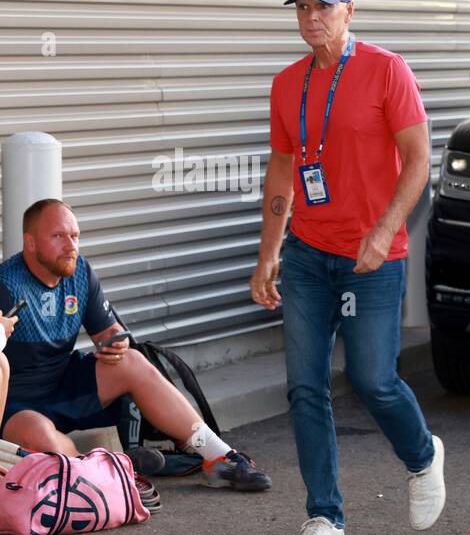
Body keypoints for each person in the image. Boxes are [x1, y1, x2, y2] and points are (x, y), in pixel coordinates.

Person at [250, 0, 444, 535]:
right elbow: (284, 168)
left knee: (372, 380)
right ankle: (324, 518)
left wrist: (385, 230)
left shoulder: (387, 70)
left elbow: (418, 160)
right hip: (308, 255)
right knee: (305, 388)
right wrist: (269, 253)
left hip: (372, 257)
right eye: (303, 10)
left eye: (323, 8)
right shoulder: (288, 83)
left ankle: (422, 456)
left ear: (349, 11)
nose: (311, 19)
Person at [0, 200, 269, 490]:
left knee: (132, 360)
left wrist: (115, 342)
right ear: (30, 242)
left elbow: (109, 332)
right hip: (15, 404)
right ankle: (112, 470)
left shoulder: (79, 273)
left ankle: (218, 457)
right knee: (38, 434)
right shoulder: (6, 282)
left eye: (75, 236)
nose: (71, 246)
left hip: (63, 384)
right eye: (58, 236)